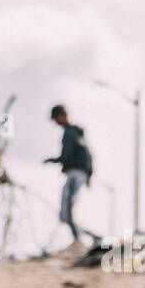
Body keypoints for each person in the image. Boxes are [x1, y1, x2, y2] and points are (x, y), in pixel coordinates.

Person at [44, 105, 94, 244]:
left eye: (56, 118)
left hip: (75, 173)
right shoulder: (76, 133)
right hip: (79, 173)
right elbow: (88, 156)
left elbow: (67, 155)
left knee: (66, 211)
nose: (56, 122)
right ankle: (82, 238)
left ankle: (79, 240)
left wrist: (53, 160)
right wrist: (89, 174)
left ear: (62, 115)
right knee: (65, 213)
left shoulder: (70, 132)